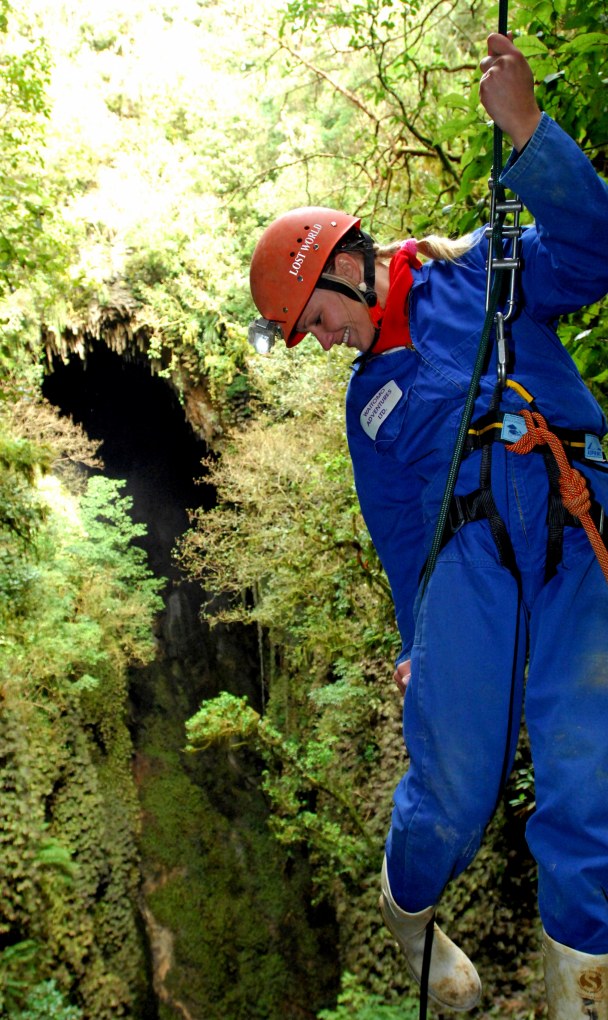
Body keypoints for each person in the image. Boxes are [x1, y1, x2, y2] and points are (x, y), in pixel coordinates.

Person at [248, 33, 608, 1019]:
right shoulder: (368, 404)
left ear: (344, 265)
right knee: (453, 788)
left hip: (577, 526)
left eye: (314, 320)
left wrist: (526, 132)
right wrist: (414, 643)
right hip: (467, 566)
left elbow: (594, 254)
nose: (321, 342)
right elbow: (397, 537)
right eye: (306, 335)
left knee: (589, 774)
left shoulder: (483, 270)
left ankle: (580, 998)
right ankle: (408, 911)